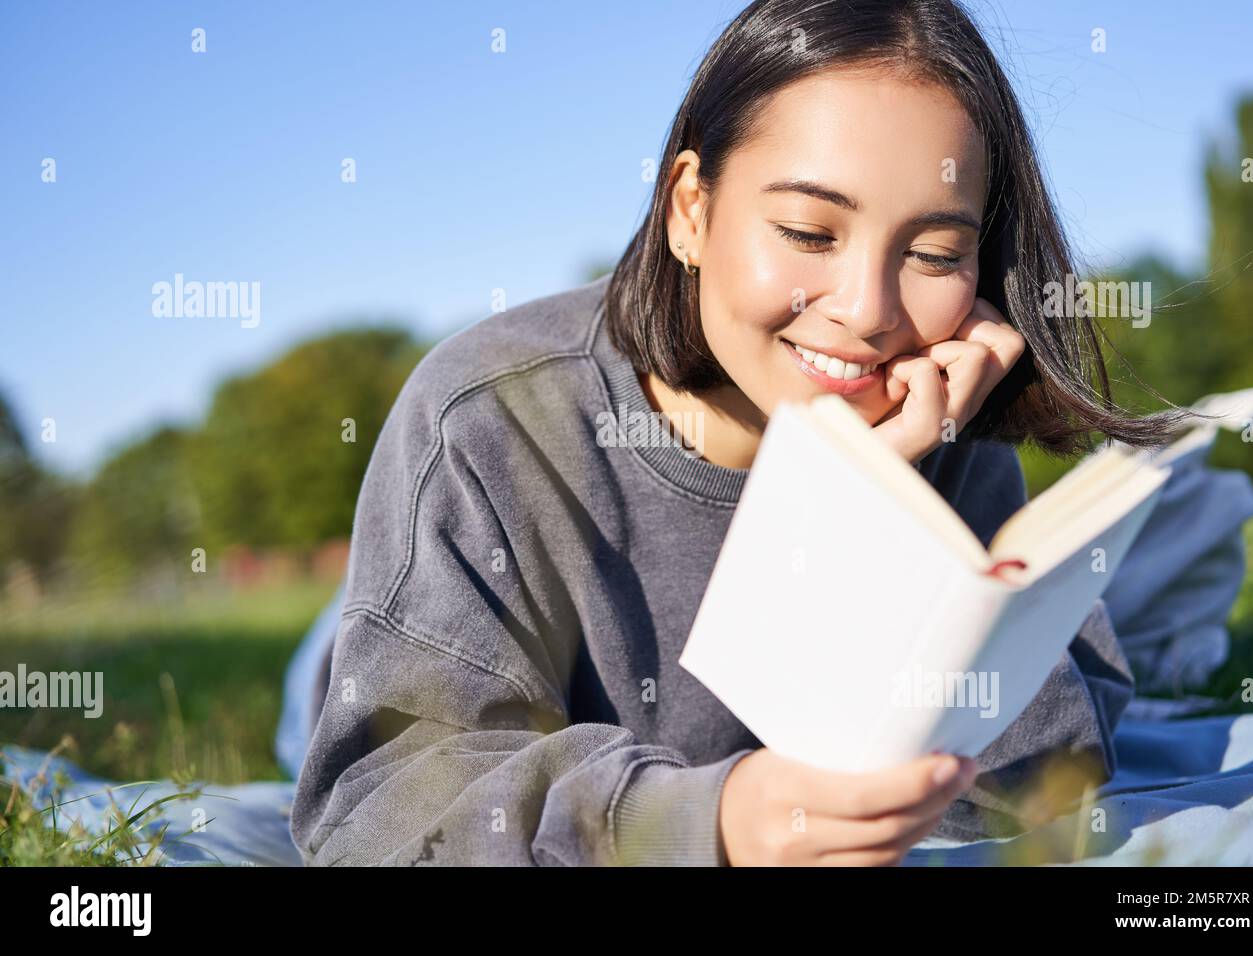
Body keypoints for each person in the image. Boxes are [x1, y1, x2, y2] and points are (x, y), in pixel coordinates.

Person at [290, 0, 1185, 866]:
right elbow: (379, 807)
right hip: (421, 637)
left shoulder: (937, 410)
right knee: (325, 685)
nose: (869, 313)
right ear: (690, 209)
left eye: (934, 253)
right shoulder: (487, 421)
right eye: (806, 230)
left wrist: (873, 509)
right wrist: (712, 822)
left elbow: (1040, 784)